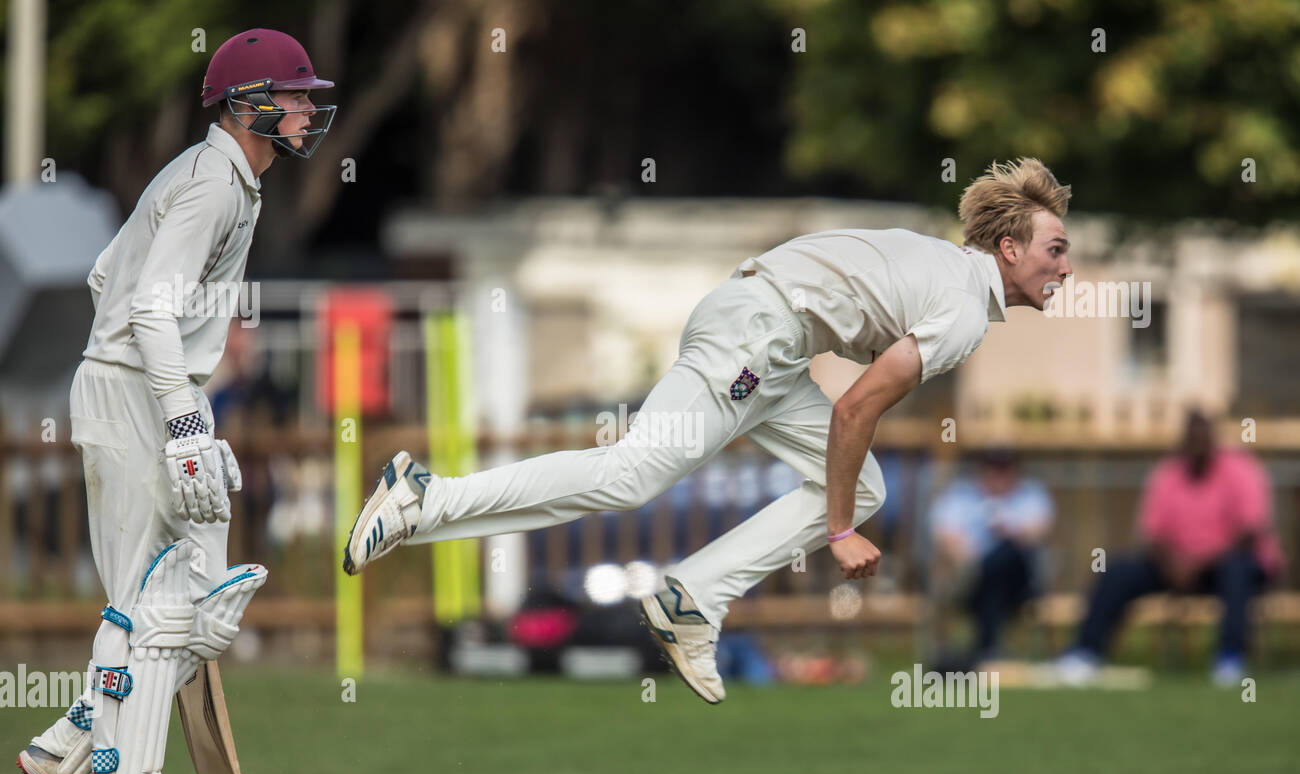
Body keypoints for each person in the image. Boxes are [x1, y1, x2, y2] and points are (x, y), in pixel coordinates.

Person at [344, 158, 1074, 705]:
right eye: (1055, 249)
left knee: (867, 485)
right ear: (1009, 249)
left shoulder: (953, 274)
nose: (1065, 268)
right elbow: (857, 408)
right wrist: (841, 529)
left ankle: (692, 597)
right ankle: (423, 497)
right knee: (634, 473)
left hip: (775, 344)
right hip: (761, 336)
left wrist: (848, 509)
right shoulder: (965, 309)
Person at [15, 29, 336, 774]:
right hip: (140, 394)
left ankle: (71, 749)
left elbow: (103, 275)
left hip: (145, 389)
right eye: (294, 95)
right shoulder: (208, 186)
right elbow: (150, 308)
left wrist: (174, 397)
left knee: (204, 596)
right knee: (152, 602)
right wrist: (182, 416)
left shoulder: (218, 180)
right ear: (248, 103)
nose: (306, 108)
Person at [1058, 410, 1284, 686]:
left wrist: (1198, 563)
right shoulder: (1167, 473)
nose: (1197, 446)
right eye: (1191, 440)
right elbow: (1154, 535)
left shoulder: (1242, 469)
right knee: (1117, 571)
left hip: (1228, 563)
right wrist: (1175, 564)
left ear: (1213, 439)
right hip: (1175, 566)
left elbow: (1248, 532)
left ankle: (1230, 659)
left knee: (1237, 570)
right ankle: (1085, 653)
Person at [929, 447, 1054, 668]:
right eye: (993, 468)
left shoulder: (1031, 493)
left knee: (1004, 556)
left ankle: (983, 650)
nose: (998, 475)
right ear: (981, 470)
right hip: (968, 578)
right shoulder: (960, 495)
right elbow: (945, 535)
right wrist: (966, 554)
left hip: (1020, 579)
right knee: (990, 577)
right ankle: (989, 650)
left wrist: (1009, 529)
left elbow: (1037, 531)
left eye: (1005, 469)